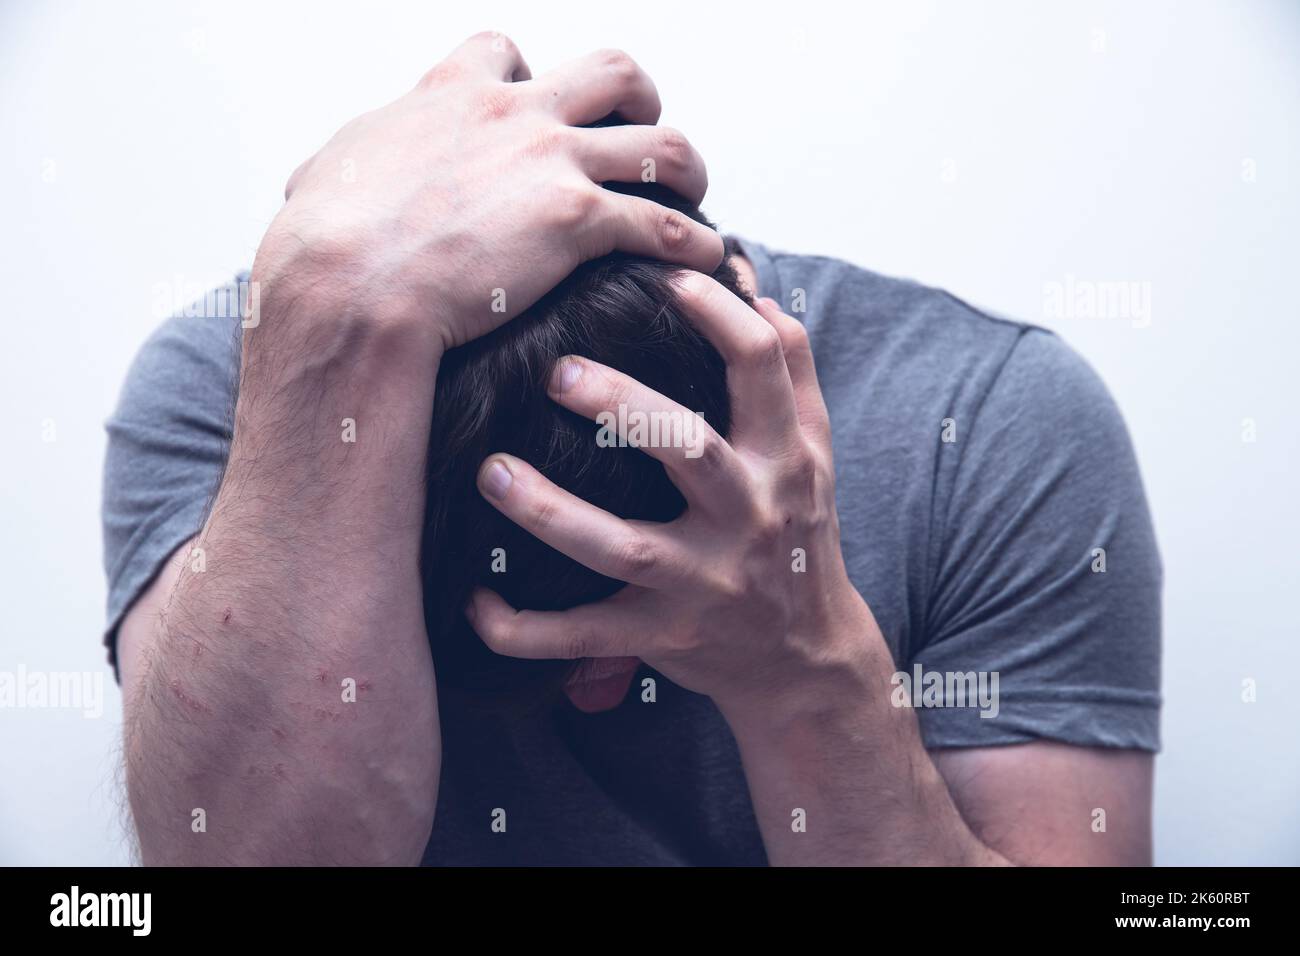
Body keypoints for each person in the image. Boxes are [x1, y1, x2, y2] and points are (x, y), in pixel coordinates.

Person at [104, 33, 1161, 866]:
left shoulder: (992, 423)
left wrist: (801, 667)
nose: (604, 681)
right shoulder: (248, 390)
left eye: (633, 625)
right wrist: (336, 294)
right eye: (503, 641)